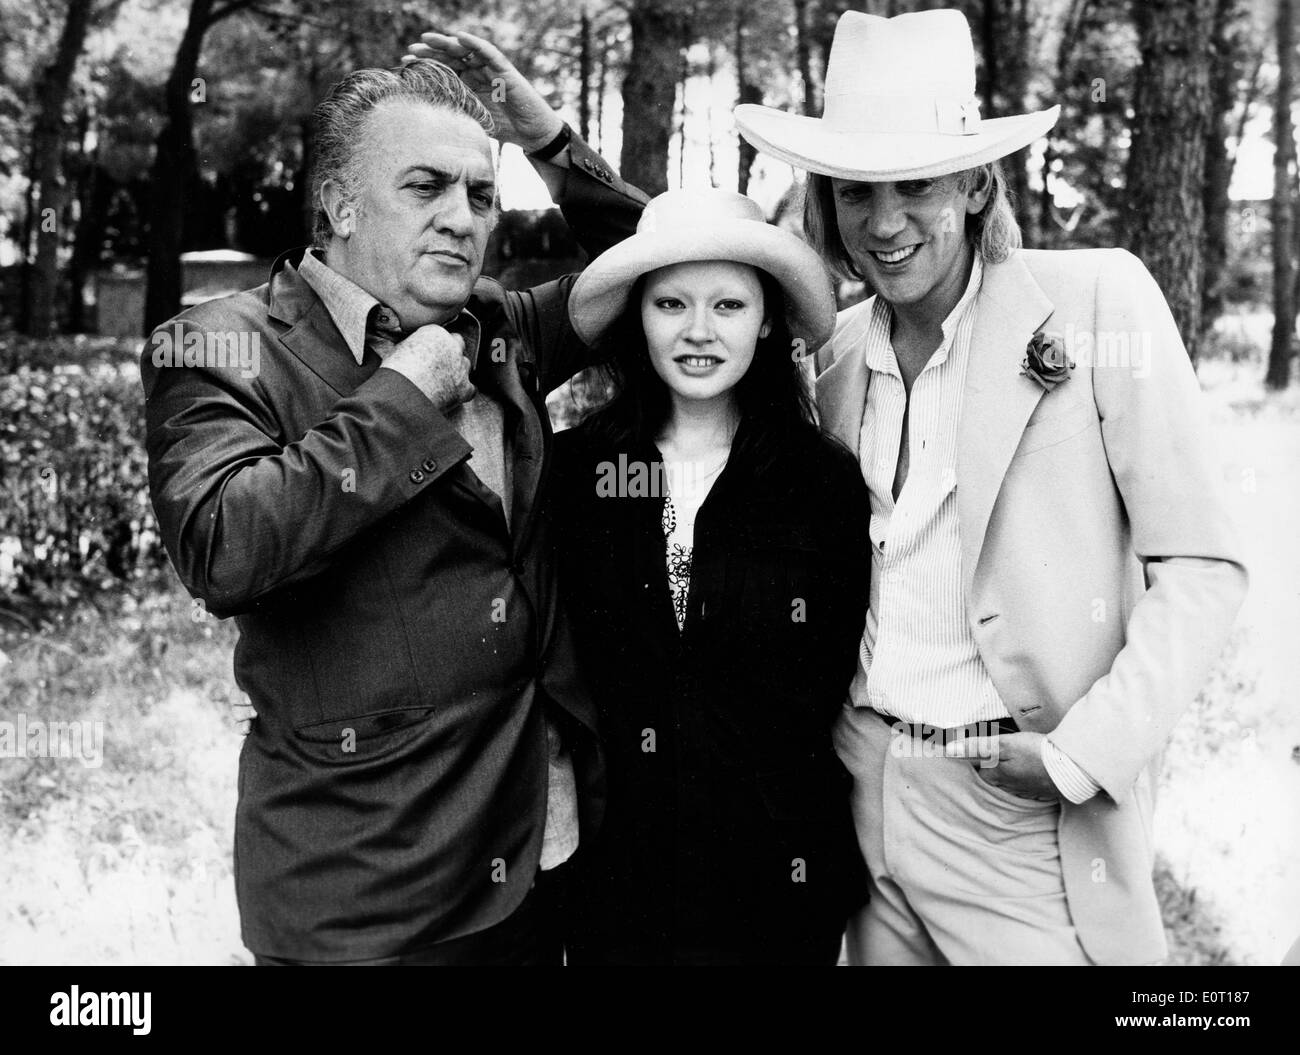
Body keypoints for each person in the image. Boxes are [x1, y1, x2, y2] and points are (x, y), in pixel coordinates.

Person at [734, 7, 1248, 965]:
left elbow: (1205, 567)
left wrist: (1082, 753)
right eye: (855, 193)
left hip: (1017, 801)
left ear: (976, 182)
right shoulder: (835, 356)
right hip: (867, 788)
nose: (884, 225)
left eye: (916, 184)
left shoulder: (1098, 305)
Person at [140, 32, 648, 965]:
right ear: (337, 203)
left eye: (482, 194)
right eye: (426, 187)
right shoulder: (218, 345)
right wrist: (402, 400)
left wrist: (552, 144)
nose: (463, 217)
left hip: (542, 860)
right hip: (366, 906)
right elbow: (223, 545)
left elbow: (674, 264)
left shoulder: (501, 327)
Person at [547, 189, 871, 965]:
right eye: (671, 303)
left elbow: (826, 677)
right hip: (619, 879)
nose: (699, 331)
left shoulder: (819, 482)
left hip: (776, 878)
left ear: (766, 321)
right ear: (639, 318)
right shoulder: (578, 470)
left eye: (728, 303)